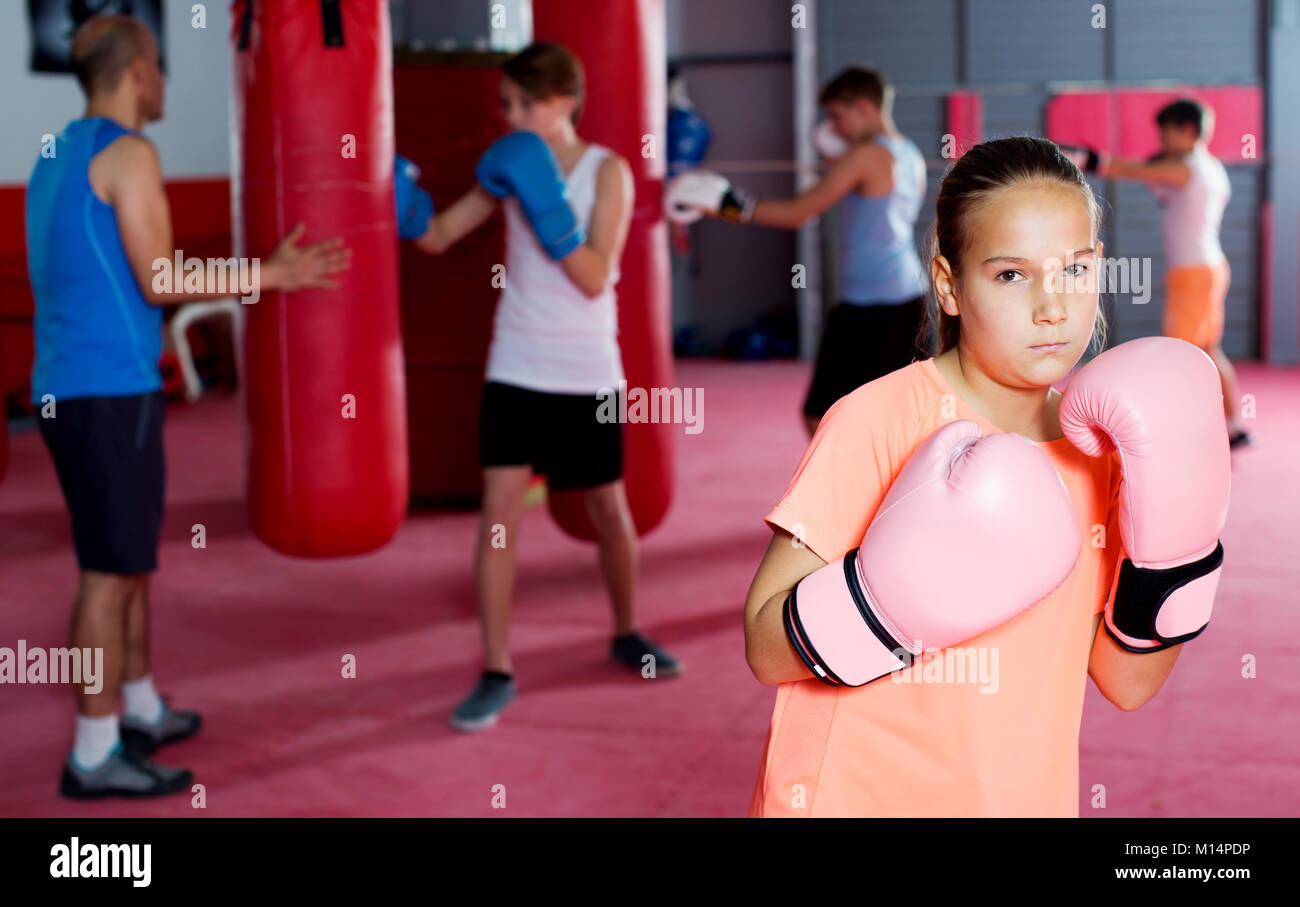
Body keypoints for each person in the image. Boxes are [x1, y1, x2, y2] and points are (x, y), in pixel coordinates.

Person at [742, 136, 1228, 817]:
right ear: (948, 284)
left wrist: (1182, 554)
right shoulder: (877, 417)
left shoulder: (1108, 452)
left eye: (1075, 269)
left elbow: (1128, 681)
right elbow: (766, 646)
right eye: (1011, 275)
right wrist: (881, 605)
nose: (1052, 306)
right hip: (851, 798)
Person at [27, 15, 349, 798]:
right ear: (139, 69)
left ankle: (136, 706)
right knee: (108, 575)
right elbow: (160, 281)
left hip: (71, 387)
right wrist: (271, 276)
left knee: (129, 562)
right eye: (162, 71)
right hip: (107, 391)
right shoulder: (130, 152)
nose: (166, 86)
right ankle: (93, 754)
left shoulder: (51, 153)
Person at [400, 41, 682, 733]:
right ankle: (495, 667)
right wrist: (397, 195)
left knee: (608, 511)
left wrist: (542, 199)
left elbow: (592, 275)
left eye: (525, 103)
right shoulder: (505, 169)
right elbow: (437, 237)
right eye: (506, 104)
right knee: (499, 515)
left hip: (588, 369)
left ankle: (627, 630)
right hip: (517, 364)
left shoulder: (606, 171)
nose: (511, 114)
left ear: (563, 103)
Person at [666, 66, 928, 438]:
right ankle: (869, 493)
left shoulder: (866, 155)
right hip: (903, 299)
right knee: (882, 422)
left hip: (876, 307)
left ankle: (856, 494)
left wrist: (726, 204)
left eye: (838, 116)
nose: (834, 128)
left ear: (864, 108)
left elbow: (799, 212)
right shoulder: (908, 154)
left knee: (825, 416)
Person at [1063, 99, 1250, 447]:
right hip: (1210, 268)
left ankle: (1183, 434)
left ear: (1188, 131)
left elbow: (1135, 171)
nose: (1161, 141)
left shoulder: (1186, 169)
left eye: (1166, 134)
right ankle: (1235, 426)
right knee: (1210, 350)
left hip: (1192, 274)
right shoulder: (1210, 167)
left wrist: (1085, 160)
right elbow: (1153, 173)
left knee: (1179, 358)